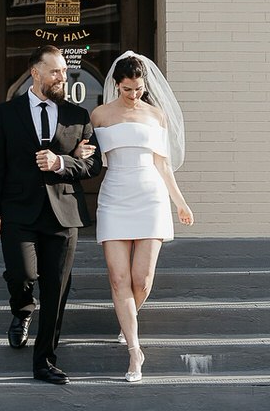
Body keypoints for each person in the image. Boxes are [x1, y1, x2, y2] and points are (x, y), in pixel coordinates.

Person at [0, 45, 101, 385]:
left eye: (64, 71)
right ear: (35, 72)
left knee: (56, 291)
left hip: (64, 215)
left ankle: (44, 361)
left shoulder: (78, 115)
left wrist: (62, 162)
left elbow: (93, 164)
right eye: (56, 71)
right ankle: (21, 309)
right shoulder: (6, 113)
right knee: (21, 273)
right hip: (18, 212)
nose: (63, 76)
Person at [89, 51, 193, 383]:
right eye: (127, 89)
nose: (133, 96)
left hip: (150, 198)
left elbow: (162, 165)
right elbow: (92, 159)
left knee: (141, 280)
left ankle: (127, 317)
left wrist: (180, 203)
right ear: (116, 85)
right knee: (119, 279)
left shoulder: (156, 115)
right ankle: (135, 351)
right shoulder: (100, 115)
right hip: (114, 197)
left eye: (138, 89)